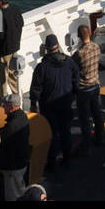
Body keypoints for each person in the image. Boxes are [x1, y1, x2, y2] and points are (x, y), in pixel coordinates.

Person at [29, 34, 79, 168]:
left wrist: (34, 104)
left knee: (52, 134)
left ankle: (52, 162)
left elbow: (36, 88)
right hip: (66, 102)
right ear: (57, 46)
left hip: (49, 106)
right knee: (65, 131)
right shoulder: (69, 62)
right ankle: (67, 158)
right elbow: (76, 80)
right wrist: (73, 95)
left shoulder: (42, 67)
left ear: (46, 48)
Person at [72, 25, 105, 156]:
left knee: (85, 118)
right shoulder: (96, 47)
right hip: (95, 85)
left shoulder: (79, 54)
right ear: (90, 34)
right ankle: (100, 138)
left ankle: (86, 146)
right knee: (97, 113)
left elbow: (74, 69)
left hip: (84, 89)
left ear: (79, 36)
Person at [0, 0, 24, 105]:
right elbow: (21, 24)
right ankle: (16, 98)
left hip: (2, 53)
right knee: (13, 76)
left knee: (0, 79)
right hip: (14, 48)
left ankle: (2, 102)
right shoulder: (15, 9)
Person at [0, 93, 31, 201]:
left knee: (13, 195)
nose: (3, 106)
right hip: (21, 162)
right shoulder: (22, 116)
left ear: (11, 107)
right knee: (20, 190)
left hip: (13, 166)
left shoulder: (12, 125)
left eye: (5, 104)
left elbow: (1, 138)